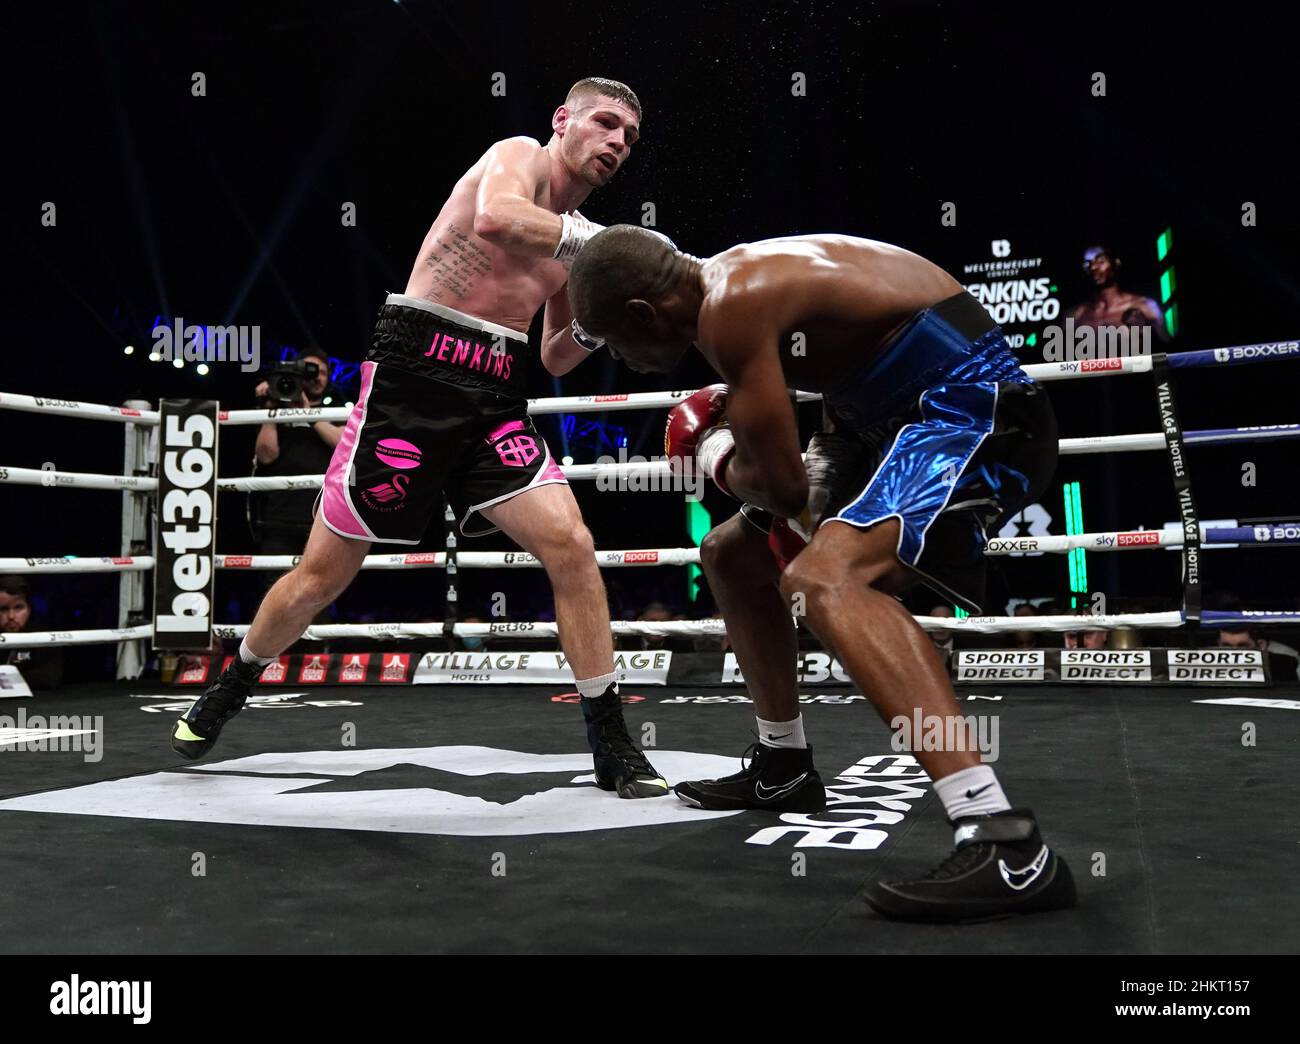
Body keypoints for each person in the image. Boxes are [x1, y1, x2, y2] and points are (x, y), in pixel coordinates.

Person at [173, 78, 666, 799]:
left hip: (495, 395)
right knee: (322, 578)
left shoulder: (580, 247)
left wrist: (605, 317)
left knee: (572, 545)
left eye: (630, 136)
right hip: (412, 380)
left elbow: (557, 353)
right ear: (564, 121)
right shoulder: (517, 157)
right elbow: (498, 220)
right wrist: (607, 246)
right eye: (606, 122)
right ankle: (236, 678)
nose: (618, 141)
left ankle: (612, 742)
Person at [568, 226, 1075, 920]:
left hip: (972, 413)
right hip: (882, 424)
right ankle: (783, 766)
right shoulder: (735, 290)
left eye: (616, 344)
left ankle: (1004, 841)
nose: (624, 361)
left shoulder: (730, 307)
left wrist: (714, 449)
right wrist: (813, 465)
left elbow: (776, 488)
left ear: (641, 313)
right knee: (730, 554)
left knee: (825, 582)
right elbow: (841, 401)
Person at [250, 350, 344, 562]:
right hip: (279, 516)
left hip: (322, 519)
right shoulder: (276, 411)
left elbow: (343, 444)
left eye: (322, 372)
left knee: (320, 590)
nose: (317, 376)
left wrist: (309, 415)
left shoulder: (337, 411)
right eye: (310, 371)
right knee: (274, 582)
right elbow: (266, 456)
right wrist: (270, 410)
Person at [1068, 245, 1167, 340]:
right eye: (1087, 264)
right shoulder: (1076, 315)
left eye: (1101, 260)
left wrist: (1146, 330)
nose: (1093, 267)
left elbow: (1172, 352)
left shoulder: (1144, 306)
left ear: (1115, 263)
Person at [0, 575, 64, 690]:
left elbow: (49, 678)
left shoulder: (43, 637)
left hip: (30, 705)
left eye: (18, 608)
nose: (11, 616)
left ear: (29, 609)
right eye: (3, 609)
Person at [1217, 626, 1299, 682]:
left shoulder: (1284, 666)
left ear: (1261, 645)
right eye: (1227, 646)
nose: (1234, 653)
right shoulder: (1206, 666)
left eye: (1242, 646)